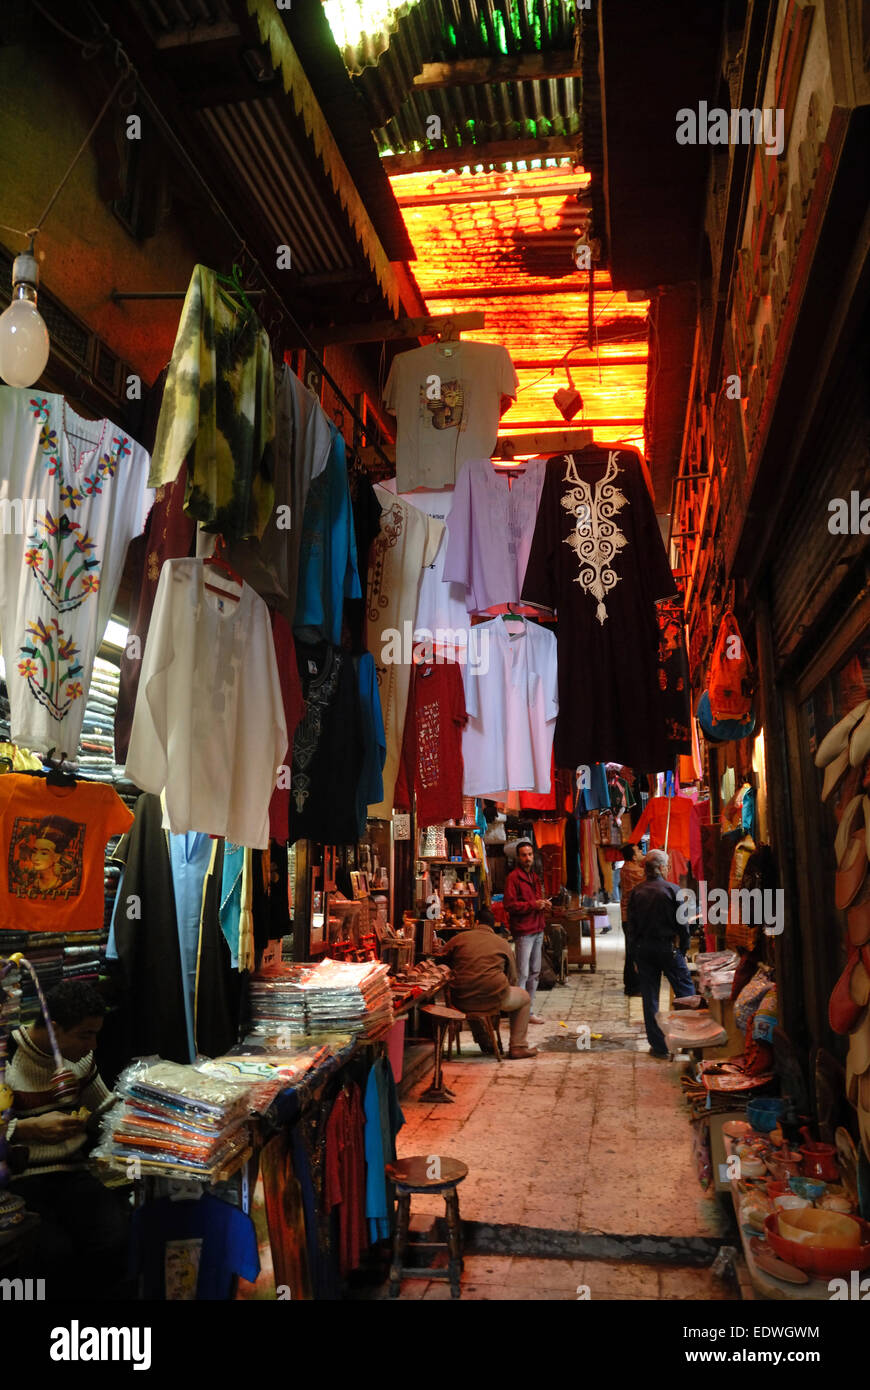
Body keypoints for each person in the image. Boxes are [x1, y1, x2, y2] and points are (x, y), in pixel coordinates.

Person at [6, 980, 130, 1298]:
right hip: (20, 1180)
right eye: (85, 1034)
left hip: (72, 1173)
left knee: (115, 1236)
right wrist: (26, 1129)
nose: (93, 1045)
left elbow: (104, 1107)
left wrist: (147, 1119)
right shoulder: (7, 1058)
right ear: (54, 1028)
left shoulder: (79, 1060)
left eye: (96, 1034)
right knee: (50, 1253)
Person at [438, 912, 537, 1059]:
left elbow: (440, 958)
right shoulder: (502, 943)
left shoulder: (459, 939)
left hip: (461, 999)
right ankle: (518, 1045)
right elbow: (513, 978)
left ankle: (485, 1042)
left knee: (472, 996)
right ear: (492, 926)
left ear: (476, 922)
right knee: (524, 998)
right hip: (494, 998)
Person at [627, 849, 697, 1057]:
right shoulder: (673, 890)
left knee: (650, 997)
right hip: (668, 949)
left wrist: (634, 955)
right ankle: (690, 1039)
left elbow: (631, 928)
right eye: (666, 866)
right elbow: (682, 925)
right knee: (686, 993)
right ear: (659, 868)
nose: (668, 869)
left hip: (644, 950)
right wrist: (684, 948)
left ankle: (658, 1046)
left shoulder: (637, 892)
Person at [503, 840, 551, 1025]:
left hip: (537, 927)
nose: (527, 858)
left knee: (534, 972)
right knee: (522, 973)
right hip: (524, 931)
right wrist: (533, 905)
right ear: (518, 857)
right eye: (524, 855)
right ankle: (518, 1015)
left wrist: (543, 904)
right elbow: (509, 905)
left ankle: (528, 1012)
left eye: (530, 854)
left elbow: (536, 899)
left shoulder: (534, 877)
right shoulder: (513, 878)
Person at [619, 843, 646, 997]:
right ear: (634, 856)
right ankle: (632, 987)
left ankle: (631, 984)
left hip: (629, 916)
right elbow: (651, 875)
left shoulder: (629, 867)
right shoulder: (632, 869)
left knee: (631, 951)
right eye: (638, 850)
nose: (641, 852)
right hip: (630, 917)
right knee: (633, 952)